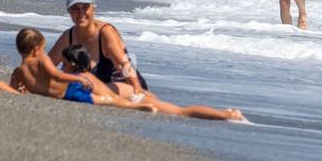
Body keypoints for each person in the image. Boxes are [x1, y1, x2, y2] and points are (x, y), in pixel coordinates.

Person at [56, 40, 244, 120]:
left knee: (182, 112)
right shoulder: (85, 76)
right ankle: (226, 114)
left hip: (133, 99)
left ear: (73, 64)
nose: (61, 68)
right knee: (181, 111)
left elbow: (60, 88)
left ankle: (227, 115)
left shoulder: (81, 78)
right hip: (130, 96)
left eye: (63, 64)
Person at [11, 29, 155, 111]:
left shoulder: (19, 71)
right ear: (36, 49)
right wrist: (79, 78)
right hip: (69, 89)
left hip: (62, 97)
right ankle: (136, 106)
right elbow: (56, 75)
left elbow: (13, 88)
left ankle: (137, 106)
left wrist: (22, 90)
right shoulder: (42, 60)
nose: (43, 52)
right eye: (43, 48)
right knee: (108, 99)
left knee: (102, 101)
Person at [46, 0, 149, 95]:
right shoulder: (68, 37)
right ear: (69, 12)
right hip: (95, 88)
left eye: (85, 7)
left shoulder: (105, 32)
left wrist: (136, 87)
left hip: (124, 84)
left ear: (93, 9)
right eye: (75, 9)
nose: (81, 13)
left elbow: (123, 64)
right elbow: (47, 65)